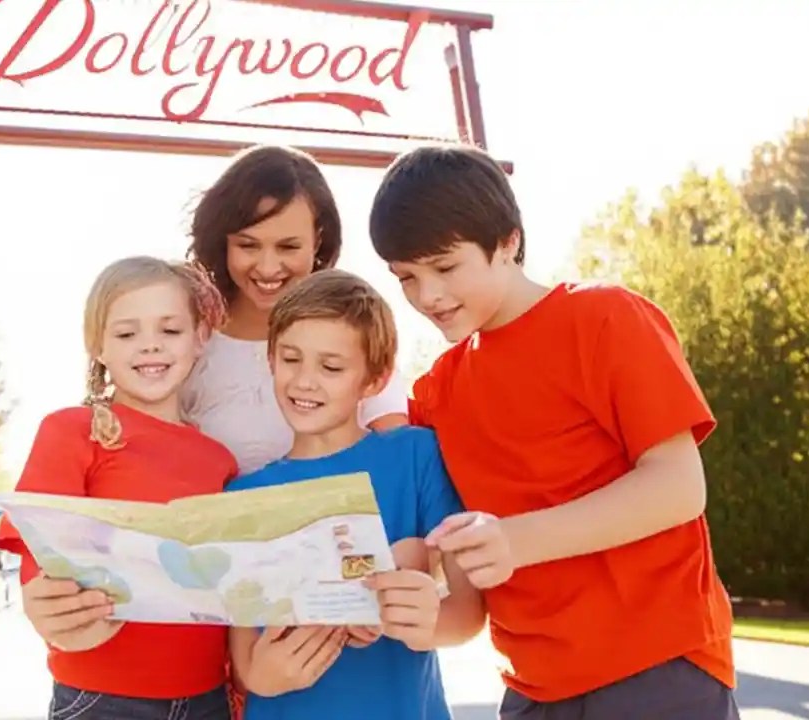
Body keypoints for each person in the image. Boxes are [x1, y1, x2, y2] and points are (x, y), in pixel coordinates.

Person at [368, 144, 738, 719]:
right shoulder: (438, 391)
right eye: (406, 278)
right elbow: (455, 574)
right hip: (532, 690)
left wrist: (515, 541)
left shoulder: (606, 319)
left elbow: (678, 488)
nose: (427, 296)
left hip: (659, 667)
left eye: (443, 267)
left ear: (508, 241)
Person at [225, 270, 487, 720]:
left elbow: (467, 614)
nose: (305, 382)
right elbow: (243, 653)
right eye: (291, 359)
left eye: (330, 367)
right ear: (270, 360)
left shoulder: (416, 455)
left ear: (374, 381)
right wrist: (261, 676)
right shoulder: (243, 494)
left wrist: (414, 620)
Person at [0, 256, 237, 720]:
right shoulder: (71, 430)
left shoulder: (220, 459)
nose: (150, 346)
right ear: (98, 346)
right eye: (127, 334)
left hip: (209, 696)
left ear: (200, 338)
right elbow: (37, 546)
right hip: (101, 699)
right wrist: (47, 606)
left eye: (170, 330)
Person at [182, 145, 408, 476]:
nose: (268, 267)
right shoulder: (187, 341)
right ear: (223, 240)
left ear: (318, 241)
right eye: (248, 245)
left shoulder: (351, 331)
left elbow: (397, 465)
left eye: (288, 246)